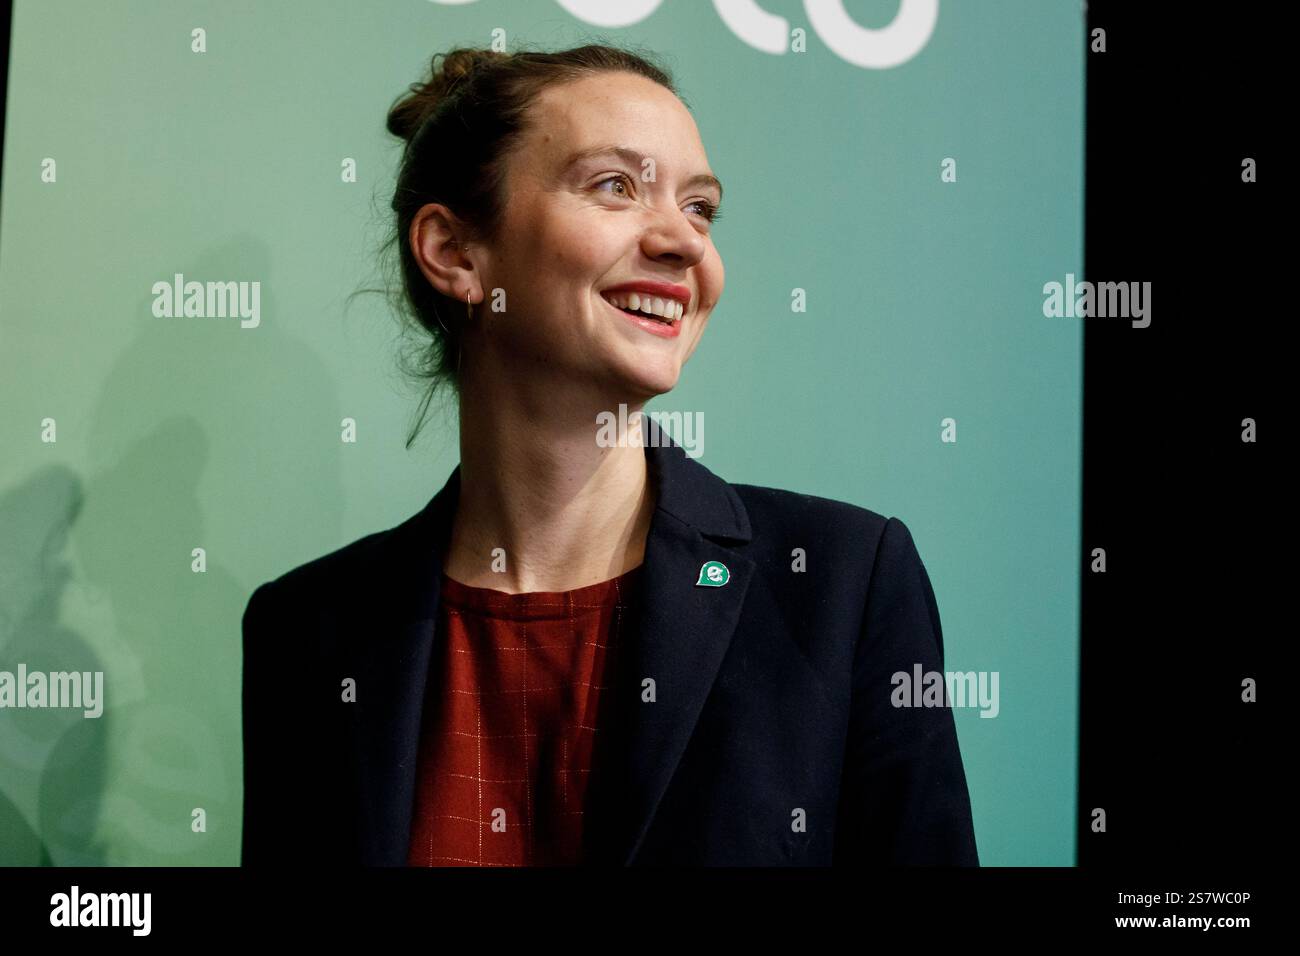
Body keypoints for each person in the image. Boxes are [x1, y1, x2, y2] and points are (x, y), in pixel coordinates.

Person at [240, 44, 978, 866]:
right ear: (454, 251)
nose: (683, 242)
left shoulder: (843, 583)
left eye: (700, 207)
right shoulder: (310, 630)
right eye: (615, 186)